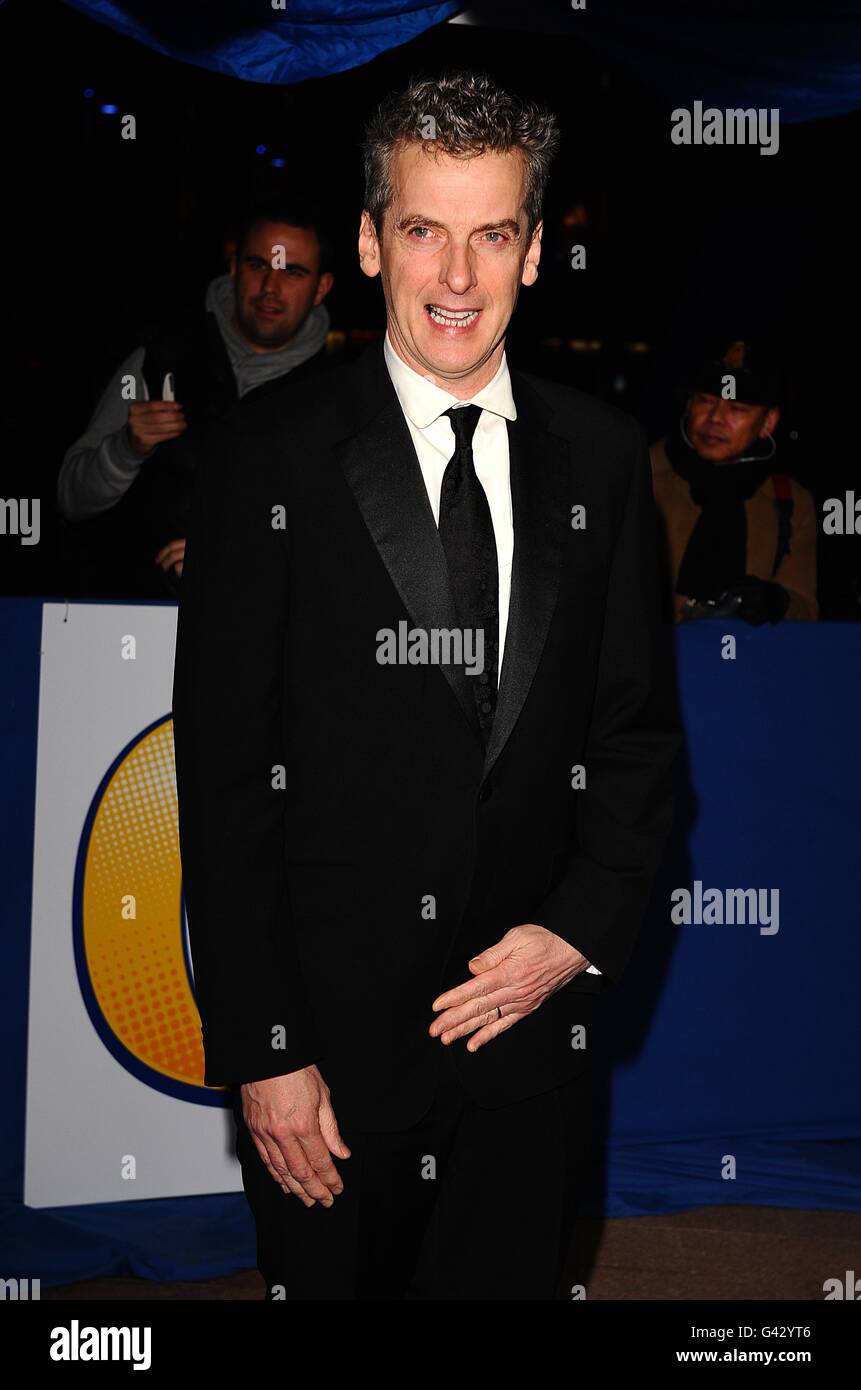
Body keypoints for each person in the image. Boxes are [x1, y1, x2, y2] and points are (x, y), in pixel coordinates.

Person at [172, 70, 681, 1300]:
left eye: (491, 233)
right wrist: (268, 1050)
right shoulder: (262, 458)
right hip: (332, 1070)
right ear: (368, 239)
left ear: (536, 250)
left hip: (529, 1050)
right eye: (422, 231)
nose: (457, 278)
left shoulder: (605, 461)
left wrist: (575, 932)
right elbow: (227, 777)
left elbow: (638, 743)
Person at [56, 195, 335, 598]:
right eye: (258, 265)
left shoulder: (341, 397)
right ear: (235, 267)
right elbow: (70, 499)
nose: (270, 287)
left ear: (321, 287)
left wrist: (235, 557)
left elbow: (352, 553)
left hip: (270, 646)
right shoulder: (158, 359)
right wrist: (125, 450)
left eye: (292, 272)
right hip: (132, 629)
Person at [650, 340, 818, 623]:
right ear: (689, 404)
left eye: (737, 408)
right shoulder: (637, 477)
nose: (715, 419)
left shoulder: (789, 501)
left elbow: (806, 610)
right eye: (706, 401)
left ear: (768, 422)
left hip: (744, 663)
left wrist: (776, 602)